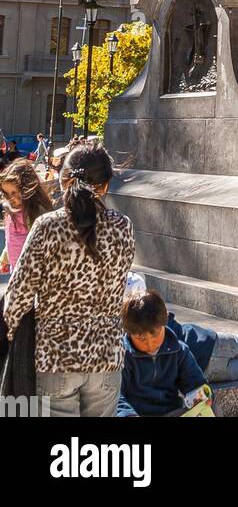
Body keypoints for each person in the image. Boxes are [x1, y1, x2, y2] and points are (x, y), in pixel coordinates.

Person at [2, 140, 135, 416]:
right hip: (106, 359)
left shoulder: (48, 226)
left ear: (64, 181)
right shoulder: (124, 227)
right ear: (106, 185)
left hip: (55, 359)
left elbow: (16, 299)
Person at [0, 158, 53, 274]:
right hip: (16, 271)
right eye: (6, 193)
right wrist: (5, 258)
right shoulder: (11, 210)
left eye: (14, 192)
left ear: (26, 187)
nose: (10, 198)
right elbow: (11, 238)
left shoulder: (35, 212)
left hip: (33, 273)